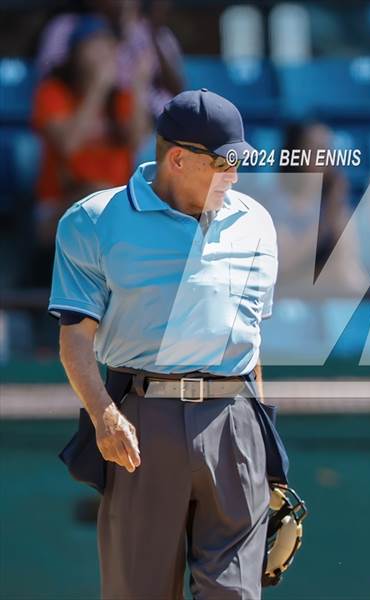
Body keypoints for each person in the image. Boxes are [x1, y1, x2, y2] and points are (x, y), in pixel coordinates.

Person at [50, 89, 288, 597]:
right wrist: (103, 416)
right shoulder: (94, 220)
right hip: (142, 419)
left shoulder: (257, 222)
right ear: (177, 159)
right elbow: (75, 340)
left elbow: (252, 340)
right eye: (223, 163)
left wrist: (265, 445)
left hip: (234, 420)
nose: (234, 176)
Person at [31, 16, 151, 274]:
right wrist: (97, 86)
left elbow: (137, 142)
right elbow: (68, 145)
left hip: (120, 209)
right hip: (60, 206)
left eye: (108, 44)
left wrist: (140, 85)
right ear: (76, 53)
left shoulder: (121, 96)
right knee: (101, 201)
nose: (104, 52)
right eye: (94, 44)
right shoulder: (52, 92)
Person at [36, 0, 184, 117]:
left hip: (158, 121)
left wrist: (152, 33)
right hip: (97, 118)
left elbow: (177, 90)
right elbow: (49, 80)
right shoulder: (67, 26)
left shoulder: (158, 33)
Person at [269, 121, 367, 293]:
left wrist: (336, 208)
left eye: (329, 149)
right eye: (317, 149)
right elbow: (284, 264)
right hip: (287, 292)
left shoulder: (332, 203)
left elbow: (347, 257)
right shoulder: (276, 203)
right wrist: (327, 221)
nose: (327, 157)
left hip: (328, 291)